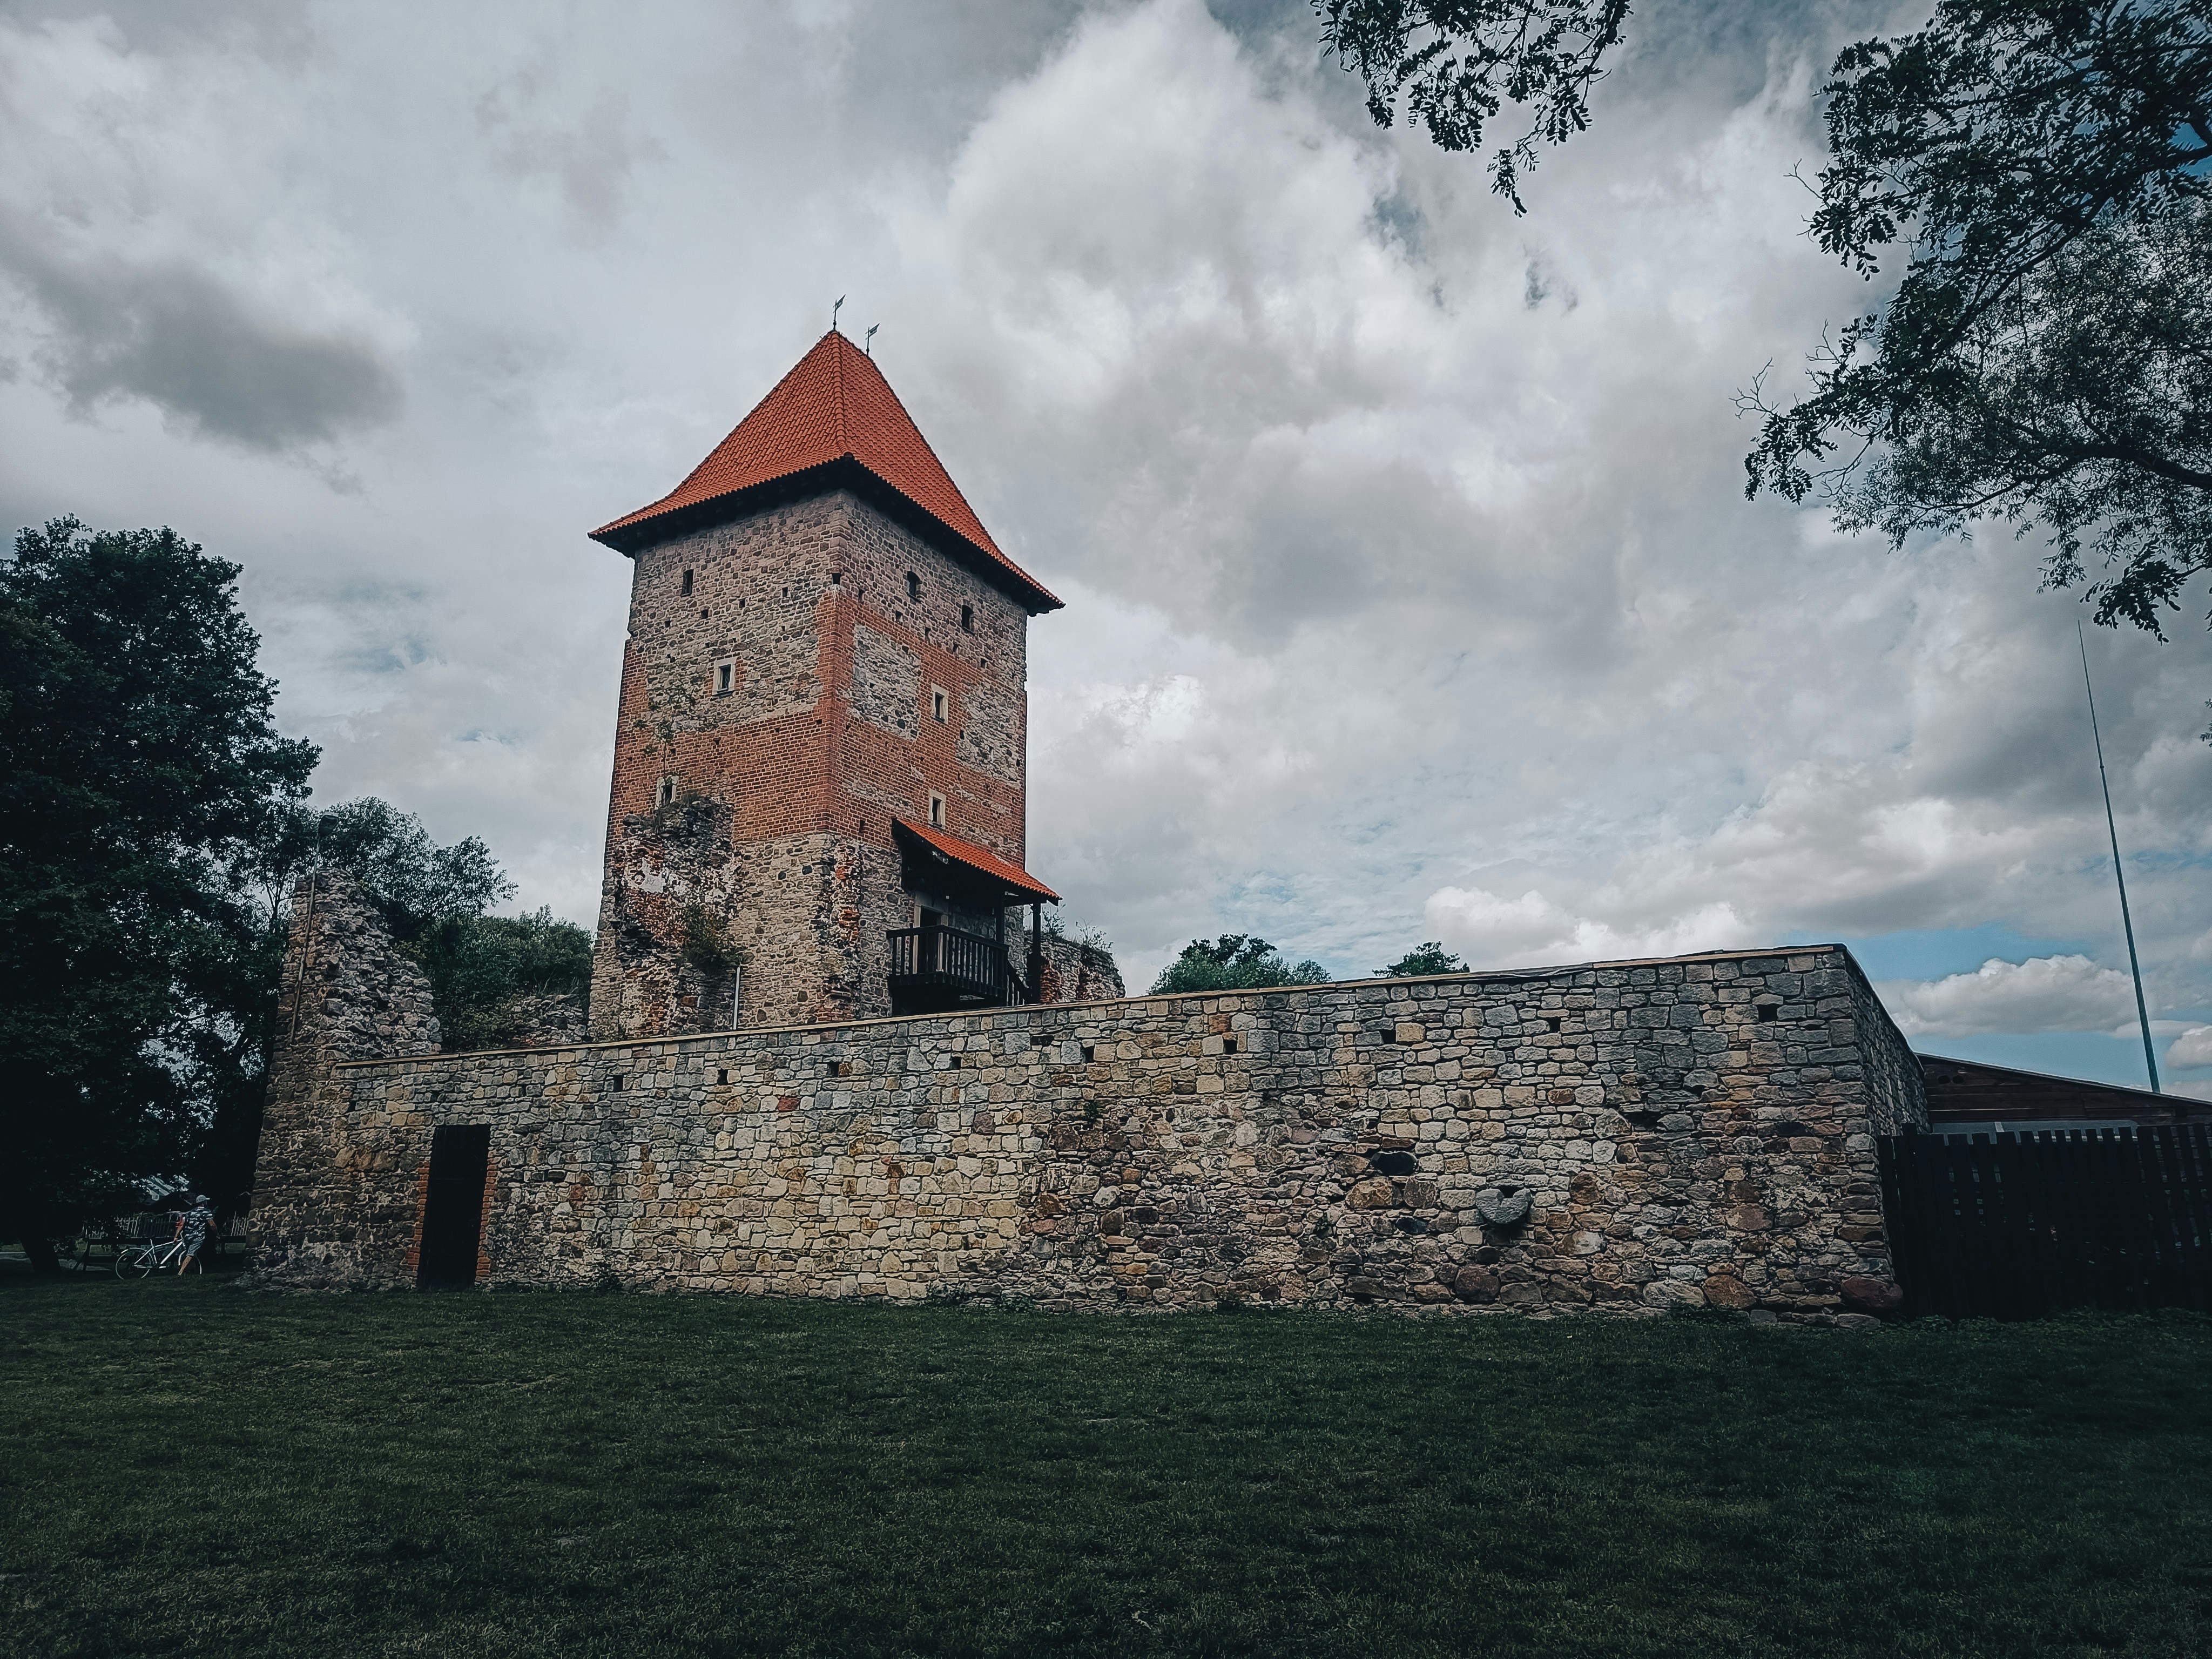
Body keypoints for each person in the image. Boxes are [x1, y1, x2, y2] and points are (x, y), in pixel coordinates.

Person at [172, 1195, 215, 1274]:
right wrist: (217, 1234)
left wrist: (176, 1236)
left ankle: (192, 1271)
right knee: (191, 1254)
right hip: (198, 1236)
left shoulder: (189, 1213)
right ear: (204, 1202)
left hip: (187, 1237)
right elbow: (212, 1225)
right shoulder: (207, 1212)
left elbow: (181, 1225)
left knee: (193, 1253)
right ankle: (181, 1272)